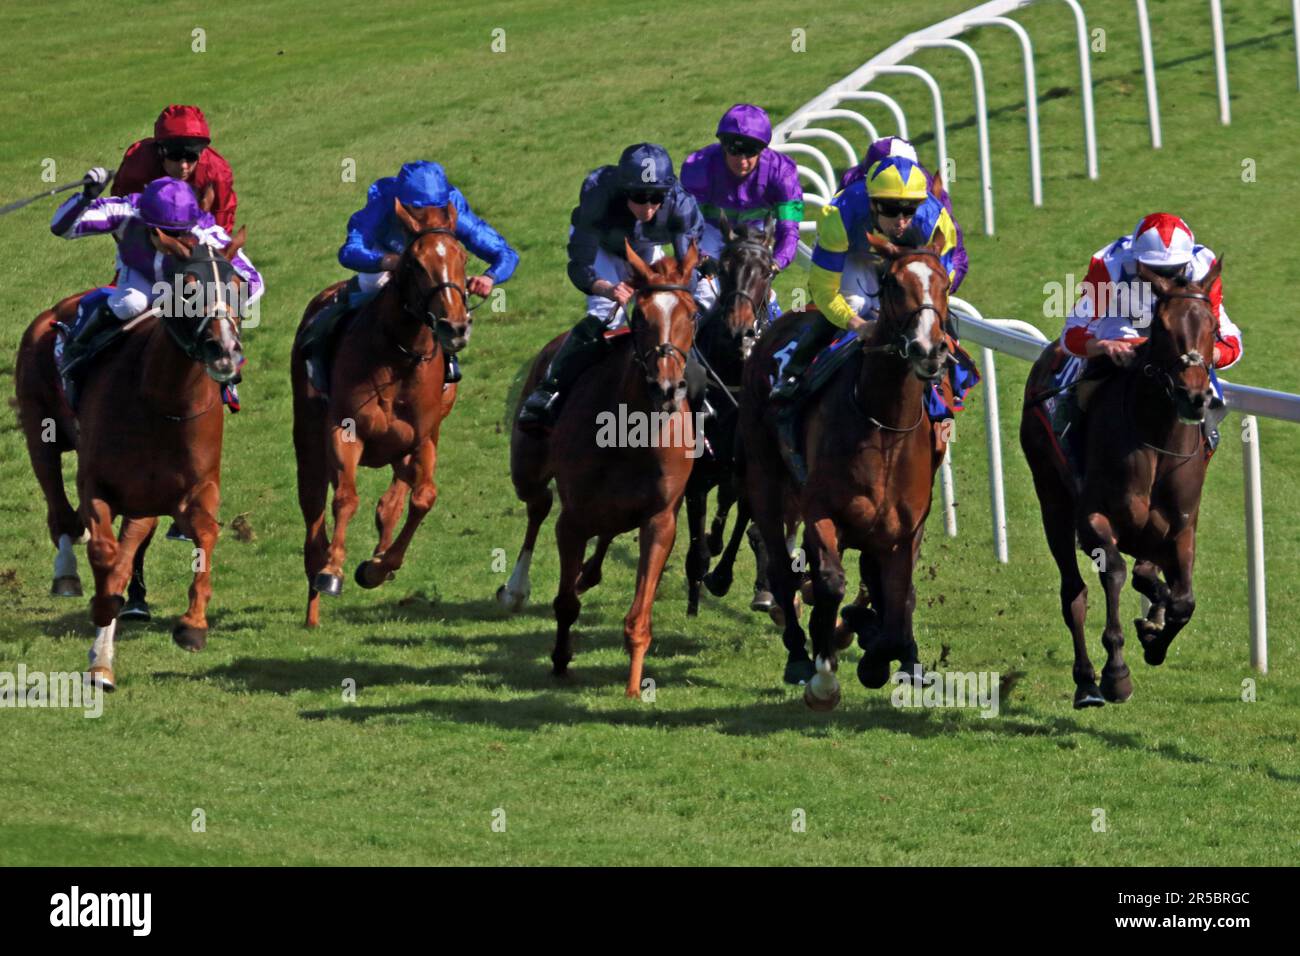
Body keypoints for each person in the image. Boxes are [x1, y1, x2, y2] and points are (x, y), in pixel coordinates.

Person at [516, 143, 704, 431]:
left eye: (657, 197)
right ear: (623, 190)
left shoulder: (680, 204)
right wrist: (608, 289)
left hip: (645, 247)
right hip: (602, 249)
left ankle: (704, 398)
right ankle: (549, 389)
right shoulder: (599, 194)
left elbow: (686, 267)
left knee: (686, 309)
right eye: (640, 197)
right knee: (607, 313)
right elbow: (580, 264)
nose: (649, 207)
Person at [1053, 213, 1242, 467]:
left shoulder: (1204, 266)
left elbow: (1231, 341)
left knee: (1202, 388)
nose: (1165, 282)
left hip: (1180, 337)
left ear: (1187, 263)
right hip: (1124, 327)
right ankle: (1070, 426)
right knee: (1097, 373)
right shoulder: (1109, 264)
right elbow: (1071, 335)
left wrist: (1210, 354)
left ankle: (1206, 437)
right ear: (1137, 261)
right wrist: (1104, 346)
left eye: (1174, 271)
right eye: (1157, 271)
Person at [319, 160, 518, 384]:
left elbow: (505, 253)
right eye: (417, 209)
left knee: (442, 292)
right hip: (385, 255)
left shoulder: (449, 211)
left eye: (434, 208)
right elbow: (349, 251)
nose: (427, 216)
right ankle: (325, 342)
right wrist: (386, 261)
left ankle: (447, 354)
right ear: (401, 203)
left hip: (432, 261)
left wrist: (490, 277)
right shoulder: (383, 201)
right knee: (372, 285)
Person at [51, 169, 263, 368]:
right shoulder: (125, 212)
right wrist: (85, 197)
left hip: (182, 288)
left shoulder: (207, 233)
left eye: (181, 234)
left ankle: (225, 374)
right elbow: (62, 227)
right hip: (139, 274)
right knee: (129, 304)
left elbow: (254, 281)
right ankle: (76, 345)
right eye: (164, 233)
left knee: (206, 325)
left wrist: (223, 304)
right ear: (146, 221)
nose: (173, 241)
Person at [680, 104, 802, 314]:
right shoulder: (698, 166)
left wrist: (775, 264)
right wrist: (701, 258)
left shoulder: (784, 173)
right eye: (734, 151)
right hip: (710, 229)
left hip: (754, 234)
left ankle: (776, 337)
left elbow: (789, 230)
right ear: (723, 146)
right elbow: (686, 226)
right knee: (707, 292)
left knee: (758, 290)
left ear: (762, 150)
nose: (742, 161)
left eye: (751, 152)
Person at [112, 104, 238, 233]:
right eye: (175, 156)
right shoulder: (138, 163)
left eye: (191, 157)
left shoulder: (217, 173)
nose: (183, 166)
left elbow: (222, 225)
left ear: (201, 154)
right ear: (160, 152)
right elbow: (120, 213)